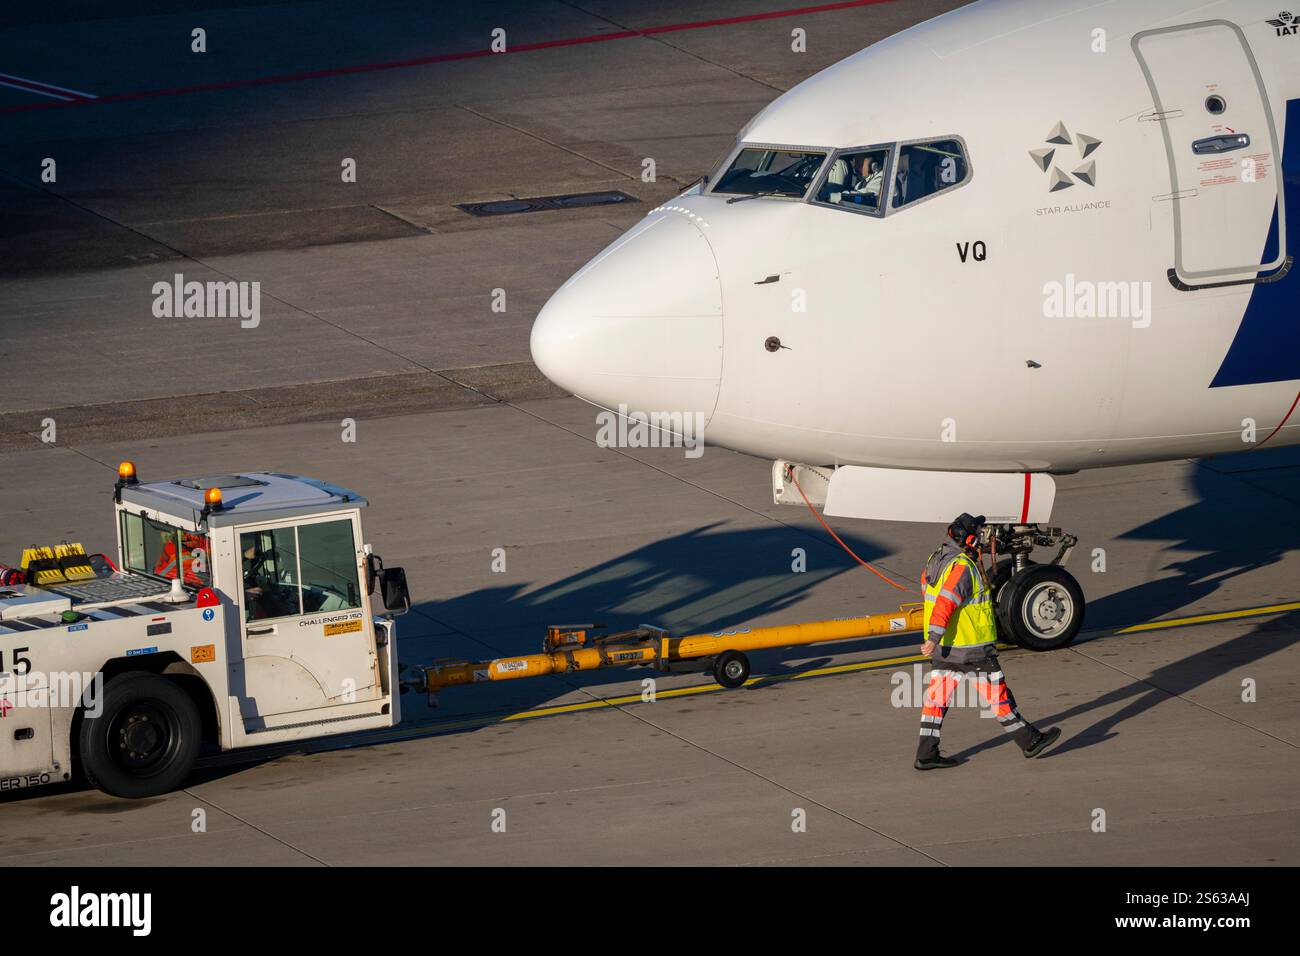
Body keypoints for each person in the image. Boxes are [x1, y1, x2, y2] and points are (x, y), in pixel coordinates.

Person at [915, 513, 1061, 769]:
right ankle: (1030, 741)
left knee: (936, 700)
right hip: (971, 649)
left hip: (946, 649)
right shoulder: (962, 567)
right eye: (980, 532)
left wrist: (935, 640)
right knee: (999, 696)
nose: (984, 536)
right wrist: (933, 637)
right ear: (969, 538)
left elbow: (929, 593)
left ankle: (926, 753)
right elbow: (945, 603)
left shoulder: (936, 558)